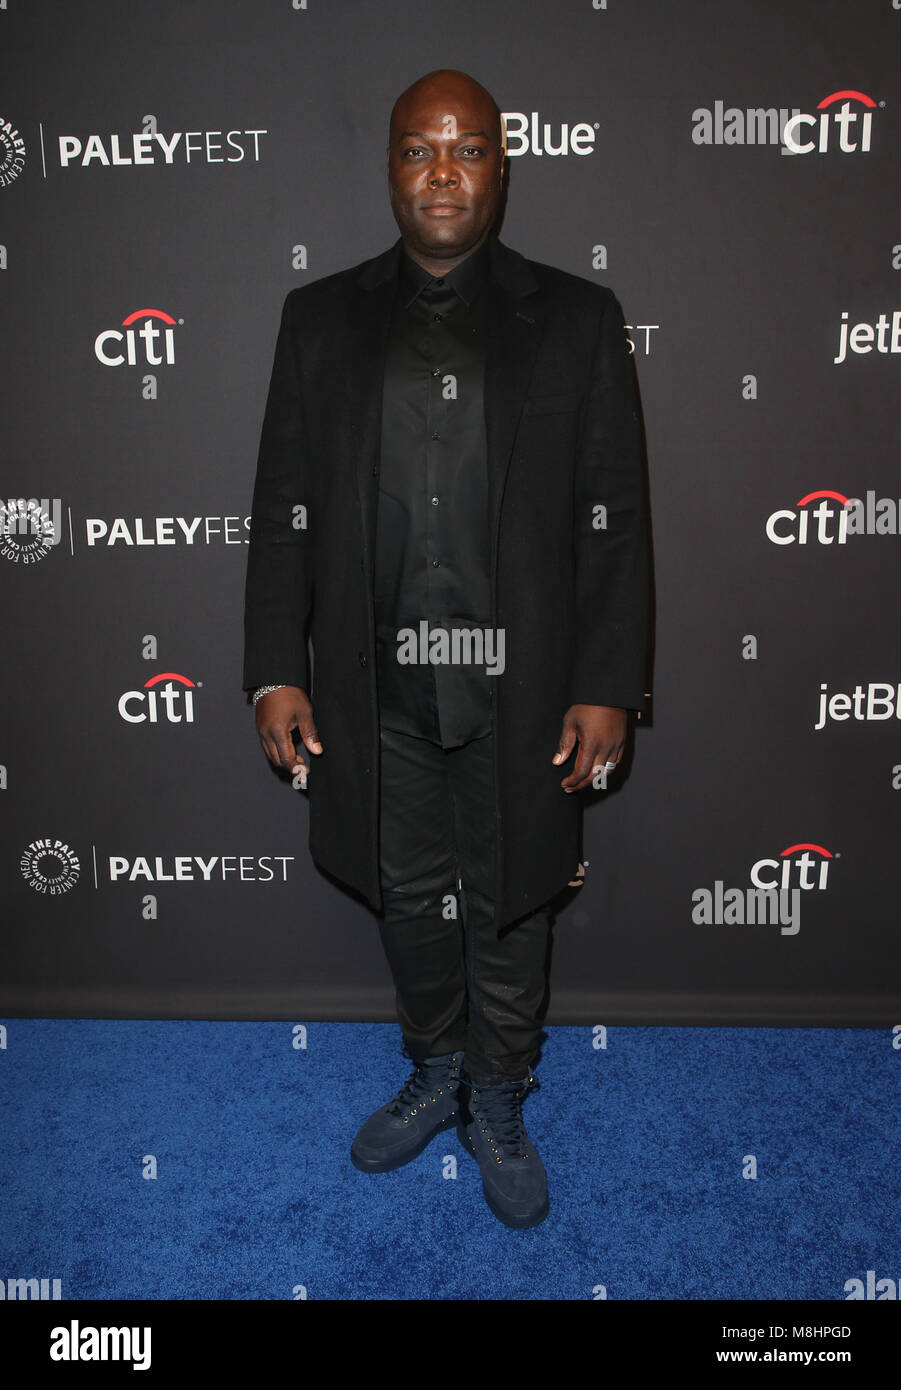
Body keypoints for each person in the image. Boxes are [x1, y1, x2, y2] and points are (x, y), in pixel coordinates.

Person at [243, 68, 650, 1229]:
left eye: (467, 148)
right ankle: (436, 1066)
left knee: (514, 898)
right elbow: (281, 507)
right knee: (412, 896)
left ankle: (502, 1099)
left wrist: (605, 684)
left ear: (501, 169)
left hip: (521, 687)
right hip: (376, 688)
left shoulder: (576, 318)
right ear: (388, 167)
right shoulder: (316, 320)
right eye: (420, 148)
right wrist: (277, 664)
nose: (441, 170)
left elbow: (613, 515)